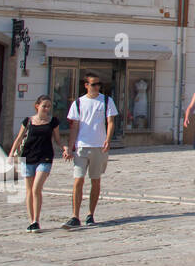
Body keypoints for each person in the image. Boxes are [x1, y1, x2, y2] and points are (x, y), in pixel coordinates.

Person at [64, 73, 116, 228]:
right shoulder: (78, 103)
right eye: (94, 84)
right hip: (82, 145)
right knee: (78, 179)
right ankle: (75, 215)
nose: (97, 87)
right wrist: (70, 147)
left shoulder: (106, 100)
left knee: (95, 180)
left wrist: (108, 139)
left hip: (98, 145)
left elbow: (110, 121)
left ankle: (90, 214)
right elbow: (74, 126)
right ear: (86, 85)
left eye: (99, 84)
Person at [7, 95, 63, 232]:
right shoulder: (28, 121)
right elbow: (19, 138)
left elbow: (57, 139)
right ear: (37, 106)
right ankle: (31, 221)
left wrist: (65, 148)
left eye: (49, 106)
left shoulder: (53, 121)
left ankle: (36, 220)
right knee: (29, 190)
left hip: (45, 157)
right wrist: (11, 154)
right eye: (44, 106)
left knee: (36, 188)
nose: (47, 109)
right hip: (28, 157)